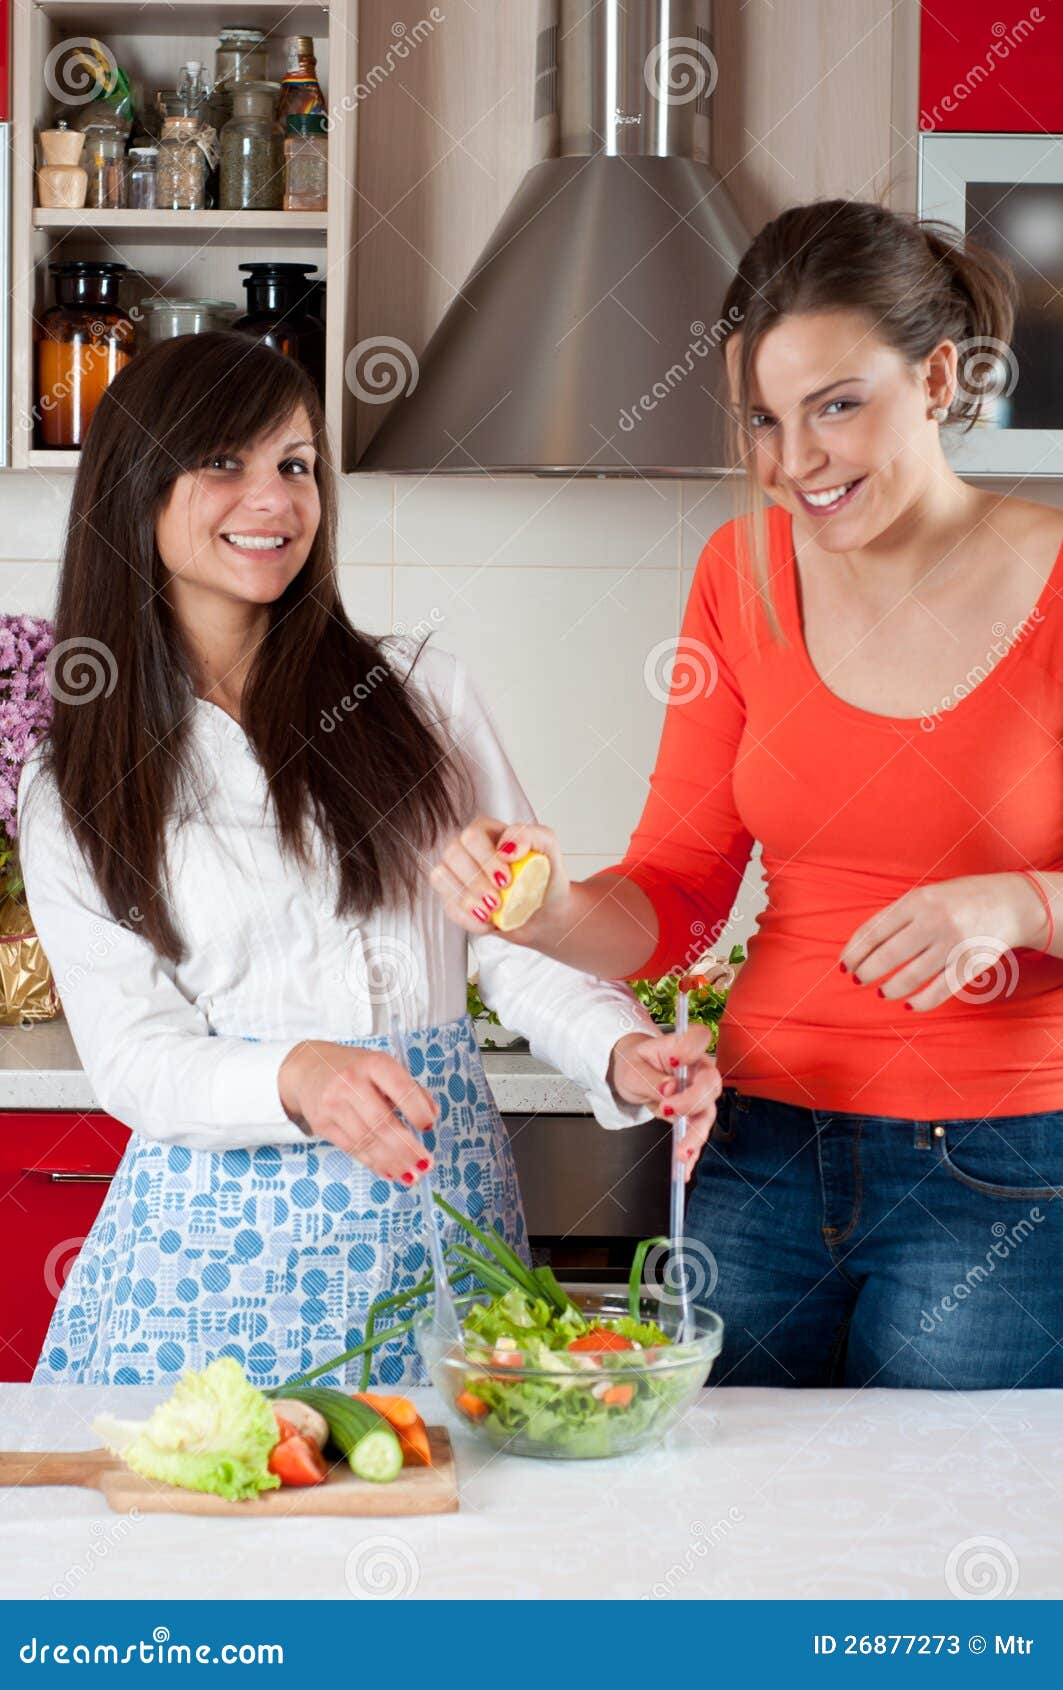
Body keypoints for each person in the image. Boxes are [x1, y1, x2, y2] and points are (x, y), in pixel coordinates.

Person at [429, 199, 1063, 1390]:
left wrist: (1017, 906)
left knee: (934, 1502)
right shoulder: (743, 574)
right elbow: (675, 896)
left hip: (1002, 1167)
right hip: (759, 1148)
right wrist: (549, 909)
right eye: (764, 420)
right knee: (716, 1487)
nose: (793, 462)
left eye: (837, 405)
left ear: (937, 378)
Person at [19, 331, 721, 1389]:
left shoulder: (418, 698)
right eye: (224, 461)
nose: (274, 499)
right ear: (135, 489)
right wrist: (294, 1074)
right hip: (208, 1267)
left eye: (296, 464)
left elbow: (509, 941)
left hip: (439, 1223)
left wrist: (619, 1048)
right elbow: (134, 1057)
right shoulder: (76, 782)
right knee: (223, 1485)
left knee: (451, 1485)